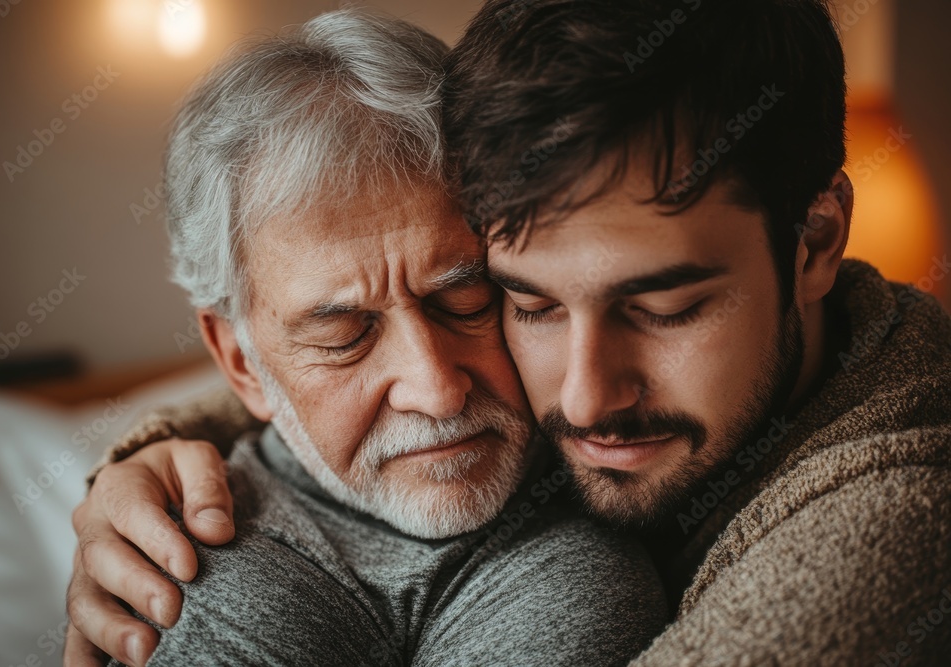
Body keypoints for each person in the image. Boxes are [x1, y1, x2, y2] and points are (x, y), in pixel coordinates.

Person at [68, 0, 951, 664]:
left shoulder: (888, 534)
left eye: (665, 306)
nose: (584, 397)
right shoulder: (183, 521)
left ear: (817, 242)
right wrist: (143, 456)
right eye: (527, 303)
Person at [69, 9, 667, 667]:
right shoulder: (179, 579)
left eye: (466, 299)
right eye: (344, 334)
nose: (436, 389)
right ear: (240, 362)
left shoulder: (608, 525)